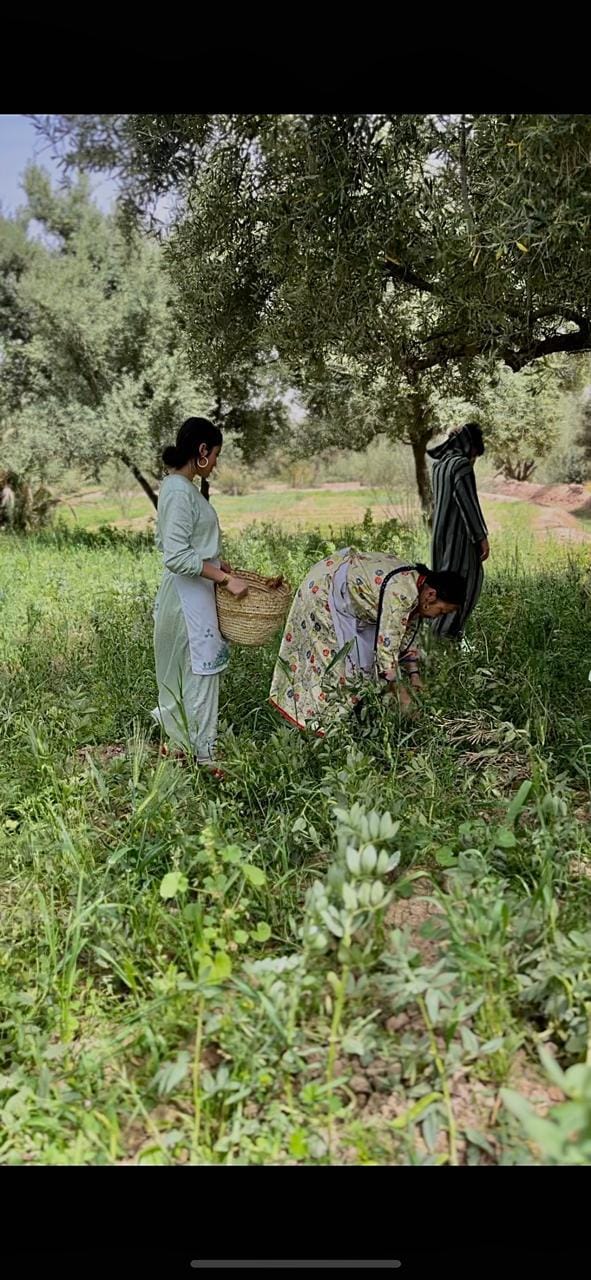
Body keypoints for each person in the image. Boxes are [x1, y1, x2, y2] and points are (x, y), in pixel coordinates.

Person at [269, 548, 465, 734]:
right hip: (324, 590)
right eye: (441, 611)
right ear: (431, 595)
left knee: (360, 665)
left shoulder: (417, 589)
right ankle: (315, 724)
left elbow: (404, 635)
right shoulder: (402, 591)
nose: (437, 616)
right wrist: (399, 692)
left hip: (346, 599)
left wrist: (414, 675)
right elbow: (387, 647)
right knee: (334, 665)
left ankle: (349, 718)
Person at [151, 417, 248, 774]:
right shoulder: (179, 491)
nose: (216, 463)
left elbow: (191, 546)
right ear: (202, 450)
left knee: (189, 674)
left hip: (192, 592)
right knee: (201, 673)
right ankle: (203, 758)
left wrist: (221, 566)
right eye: (216, 454)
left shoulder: (181, 488)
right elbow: (176, 556)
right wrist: (225, 579)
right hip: (187, 596)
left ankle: (182, 748)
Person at [427, 423, 489, 642]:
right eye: (475, 454)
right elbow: (468, 504)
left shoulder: (439, 466)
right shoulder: (461, 465)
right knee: (465, 585)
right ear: (470, 447)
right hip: (459, 539)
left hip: (439, 539)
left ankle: (435, 636)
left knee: (442, 586)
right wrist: (481, 537)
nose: (474, 459)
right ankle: (447, 635)